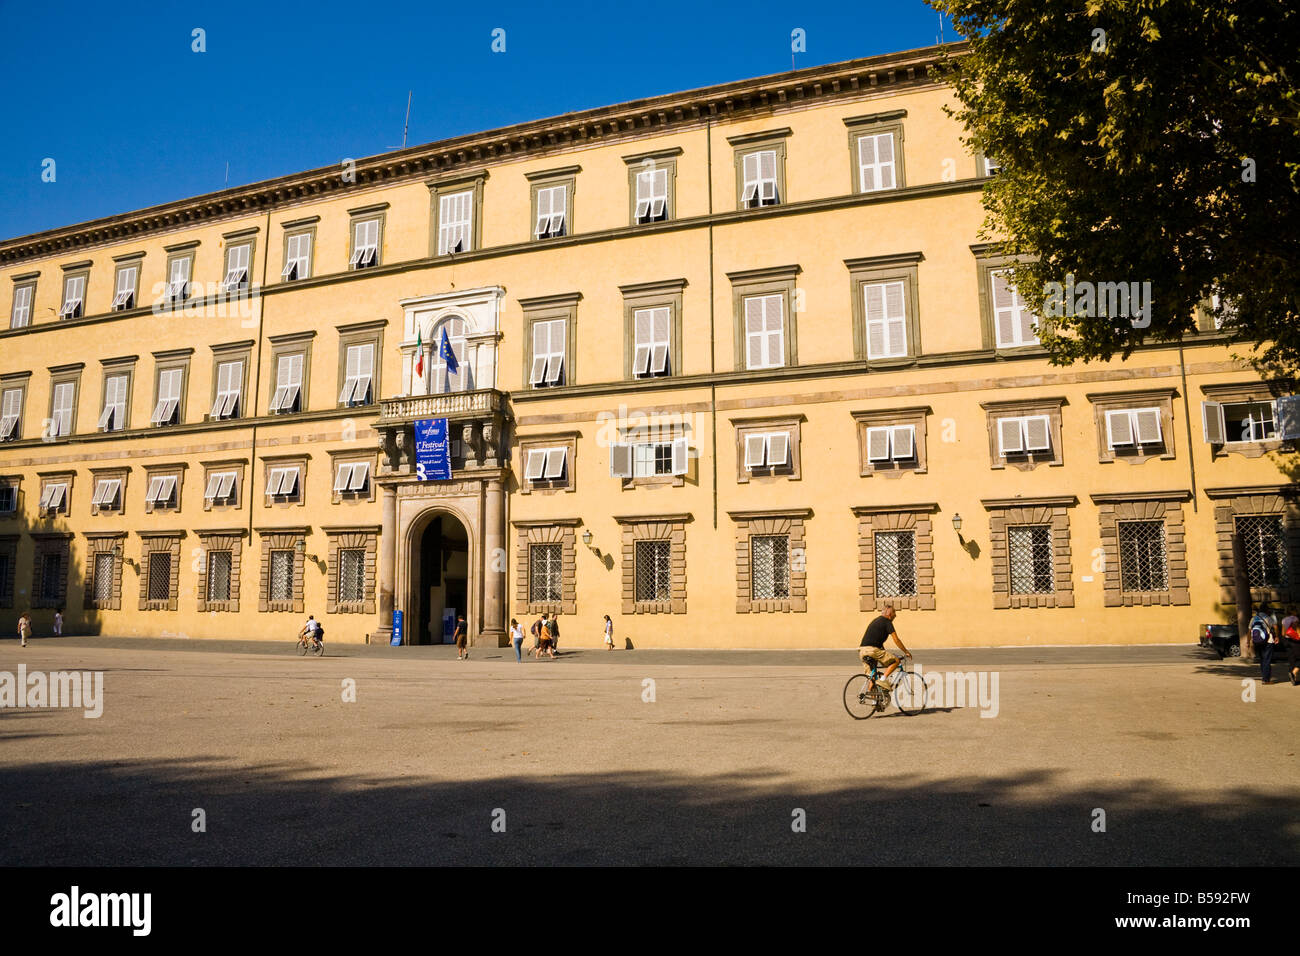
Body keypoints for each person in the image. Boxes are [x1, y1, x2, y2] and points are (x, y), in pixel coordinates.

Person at [858, 604, 911, 692]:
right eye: (894, 613)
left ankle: (874, 702)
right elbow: (896, 640)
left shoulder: (876, 621)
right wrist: (906, 651)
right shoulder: (887, 622)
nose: (895, 615)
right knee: (896, 661)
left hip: (862, 651)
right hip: (872, 650)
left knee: (873, 678)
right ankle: (883, 680)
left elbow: (876, 640)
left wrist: (885, 653)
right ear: (890, 614)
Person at [1250, 604, 1280, 684]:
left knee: (1262, 660)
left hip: (1257, 641)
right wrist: (1277, 636)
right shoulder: (1268, 618)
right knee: (1267, 660)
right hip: (1268, 641)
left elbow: (1249, 630)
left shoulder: (1254, 618)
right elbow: (1276, 627)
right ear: (1266, 610)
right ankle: (1266, 680)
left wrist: (1248, 641)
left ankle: (1264, 677)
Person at [1280, 608, 1300, 686]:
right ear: (1293, 611)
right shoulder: (1295, 618)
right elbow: (1297, 630)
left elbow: (1283, 633)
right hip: (1295, 641)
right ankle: (1293, 672)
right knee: (1299, 658)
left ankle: (1293, 679)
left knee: (1291, 659)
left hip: (1286, 641)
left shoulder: (1284, 620)